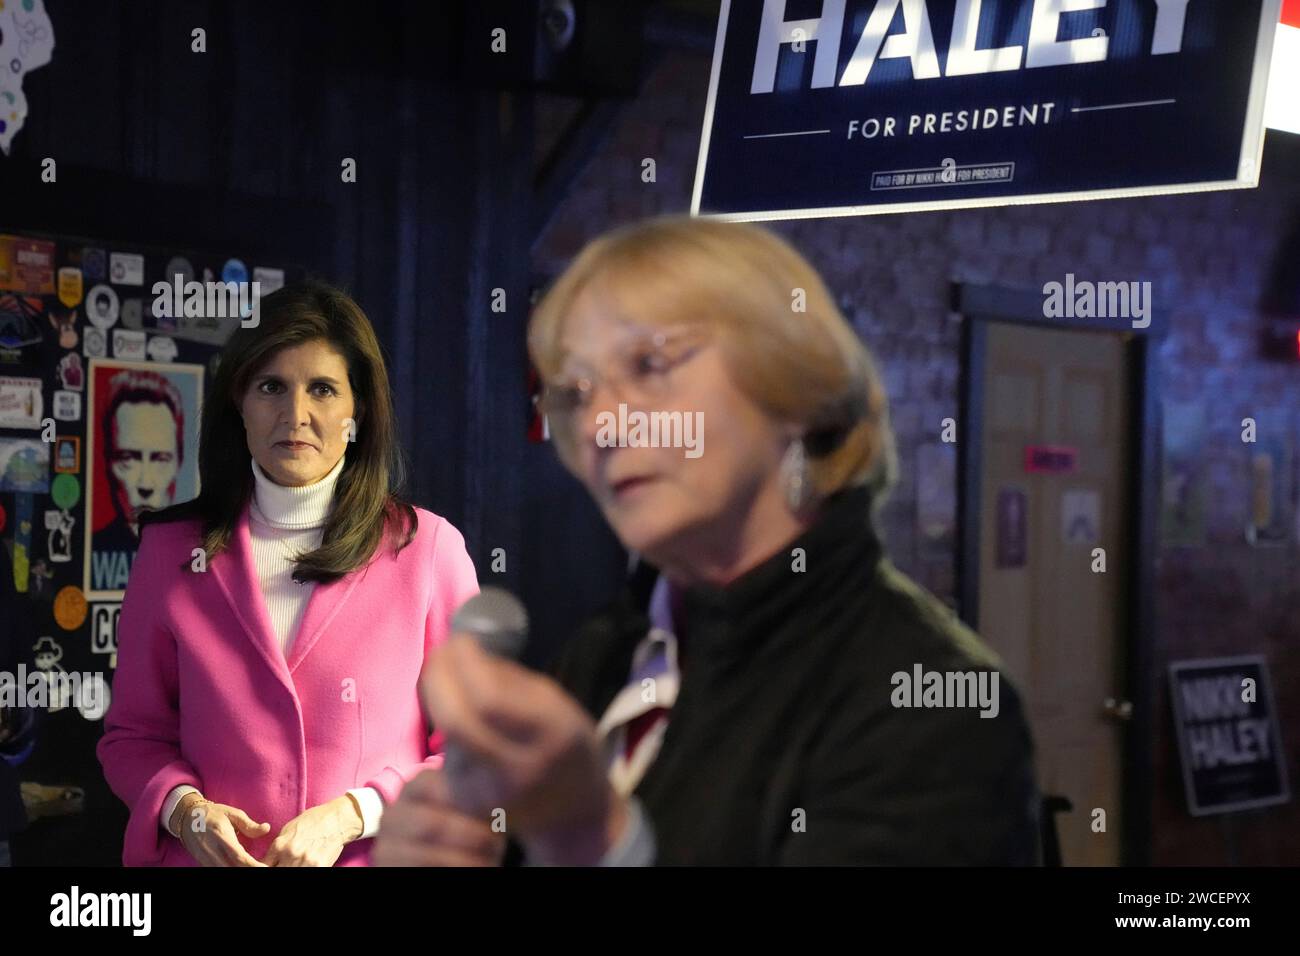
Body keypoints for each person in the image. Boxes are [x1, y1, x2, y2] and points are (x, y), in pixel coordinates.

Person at [377, 216, 1041, 866]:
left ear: (795, 383)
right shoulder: (607, 652)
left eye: (651, 363)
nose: (601, 425)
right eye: (576, 391)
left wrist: (593, 840)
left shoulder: (933, 701)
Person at [98, 281, 482, 866]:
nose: (295, 415)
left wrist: (355, 814)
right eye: (271, 386)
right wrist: (184, 809)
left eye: (323, 389)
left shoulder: (429, 550)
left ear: (358, 411)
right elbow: (133, 738)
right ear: (239, 403)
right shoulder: (170, 550)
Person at [92, 369, 185, 559]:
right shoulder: (89, 551)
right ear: (108, 462)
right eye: (128, 458)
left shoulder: (204, 554)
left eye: (160, 459)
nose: (145, 485)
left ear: (179, 461)